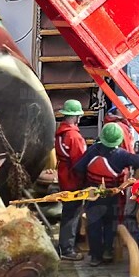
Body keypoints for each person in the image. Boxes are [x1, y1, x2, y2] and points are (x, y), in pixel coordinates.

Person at [74, 123, 139, 266]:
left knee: (94, 225)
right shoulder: (121, 155)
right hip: (112, 197)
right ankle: (108, 251)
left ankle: (95, 257)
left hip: (93, 195)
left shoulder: (93, 150)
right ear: (119, 140)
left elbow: (79, 167)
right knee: (111, 224)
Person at [54, 99, 88, 261]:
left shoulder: (60, 132)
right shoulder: (74, 137)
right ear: (74, 117)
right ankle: (67, 249)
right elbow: (80, 163)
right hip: (73, 180)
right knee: (72, 213)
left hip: (63, 175)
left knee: (68, 211)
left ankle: (67, 243)